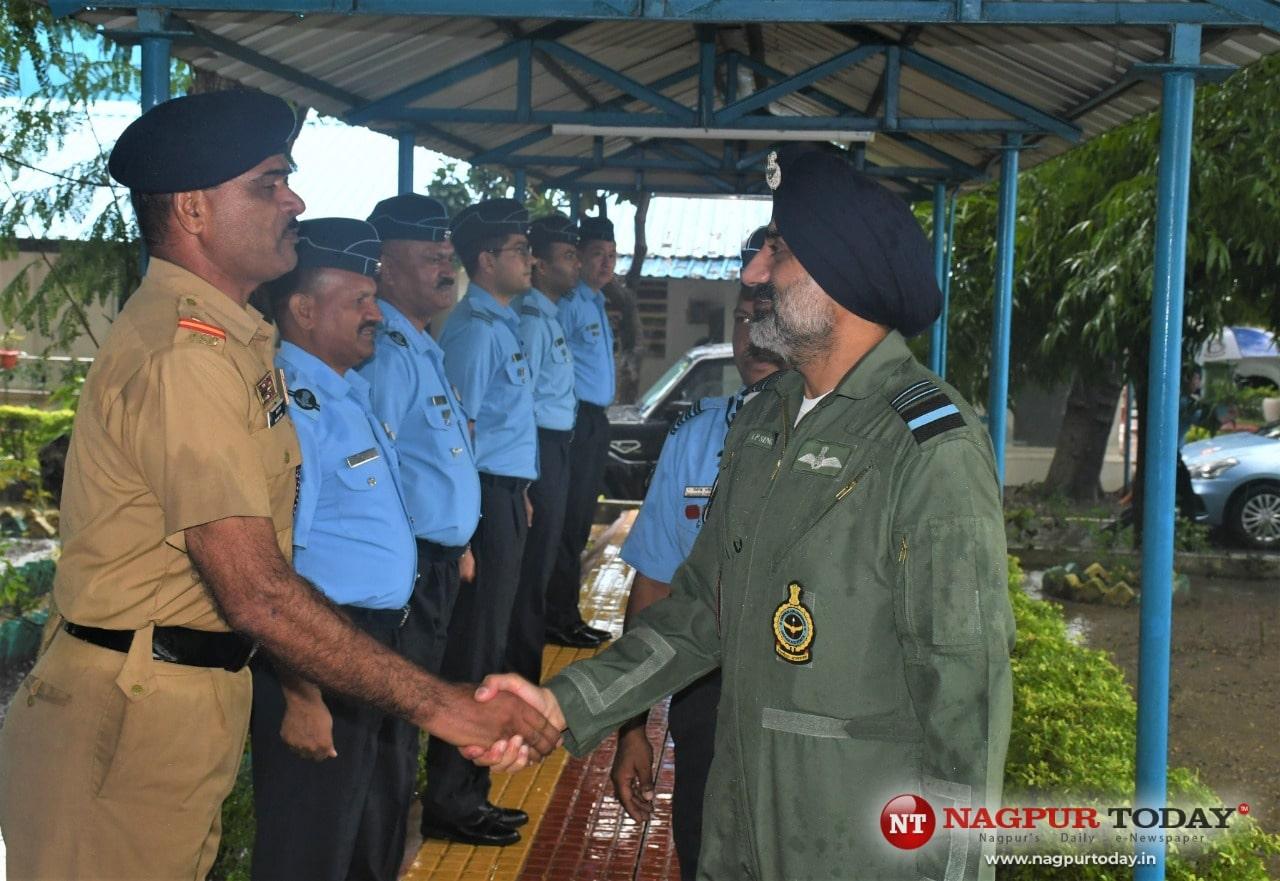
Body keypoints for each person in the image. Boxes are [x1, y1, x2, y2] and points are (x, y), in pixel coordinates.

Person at [0, 91, 555, 881]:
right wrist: (448, 706)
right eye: (269, 182)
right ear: (193, 209)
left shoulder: (232, 343)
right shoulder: (186, 355)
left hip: (174, 700)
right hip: (127, 722)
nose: (294, 199)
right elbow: (256, 589)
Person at [476, 146, 1016, 881]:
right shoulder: (764, 422)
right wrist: (562, 702)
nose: (752, 272)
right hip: (741, 828)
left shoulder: (928, 446)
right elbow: (703, 612)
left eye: (779, 251)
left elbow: (966, 698)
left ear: (840, 273)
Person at [612, 227, 785, 881]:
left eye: (767, 314)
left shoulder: (863, 443)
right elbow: (652, 588)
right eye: (742, 317)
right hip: (707, 706)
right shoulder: (696, 438)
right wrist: (632, 726)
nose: (751, 332)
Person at [251, 218, 419, 881]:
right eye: (359, 300)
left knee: (359, 830)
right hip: (319, 648)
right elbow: (275, 564)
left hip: (364, 645)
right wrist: (302, 695)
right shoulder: (293, 404)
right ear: (302, 308)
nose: (377, 313)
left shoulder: (346, 394)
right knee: (308, 844)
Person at [422, 198, 539, 847]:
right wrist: (468, 527)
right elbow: (458, 433)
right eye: (519, 249)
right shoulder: (472, 331)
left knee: (489, 646)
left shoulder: (500, 323)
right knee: (474, 651)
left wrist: (517, 492)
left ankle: (470, 790)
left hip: (501, 495)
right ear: (488, 259)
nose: (529, 259)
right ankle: (449, 798)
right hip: (481, 501)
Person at [507, 214, 581, 684]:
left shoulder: (548, 317)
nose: (576, 266)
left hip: (555, 445)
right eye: (568, 257)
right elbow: (524, 402)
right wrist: (530, 480)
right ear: (541, 268)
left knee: (546, 559)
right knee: (532, 568)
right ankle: (520, 670)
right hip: (537, 449)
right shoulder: (532, 323)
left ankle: (527, 662)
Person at [543, 215, 617, 649]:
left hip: (594, 421)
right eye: (596, 255)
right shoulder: (570, 305)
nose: (606, 263)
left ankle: (568, 613)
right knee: (567, 524)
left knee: (580, 522)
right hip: (574, 420)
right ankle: (557, 618)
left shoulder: (596, 302)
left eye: (612, 255)